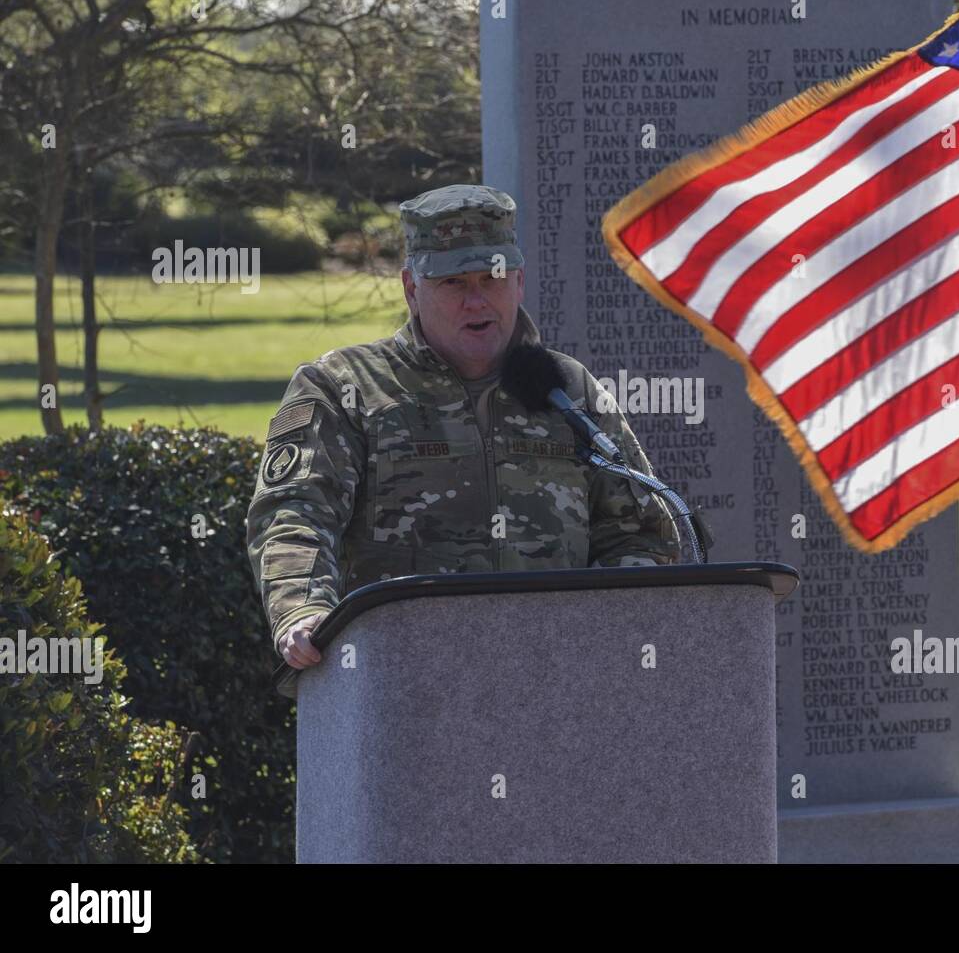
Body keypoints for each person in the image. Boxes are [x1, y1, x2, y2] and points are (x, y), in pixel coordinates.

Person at [246, 184, 680, 670]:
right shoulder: (345, 386)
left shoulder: (568, 390)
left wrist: (612, 635)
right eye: (453, 283)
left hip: (557, 679)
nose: (477, 302)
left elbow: (639, 531)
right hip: (398, 677)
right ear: (412, 288)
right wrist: (303, 611)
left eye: (492, 279)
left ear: (518, 282)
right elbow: (295, 515)